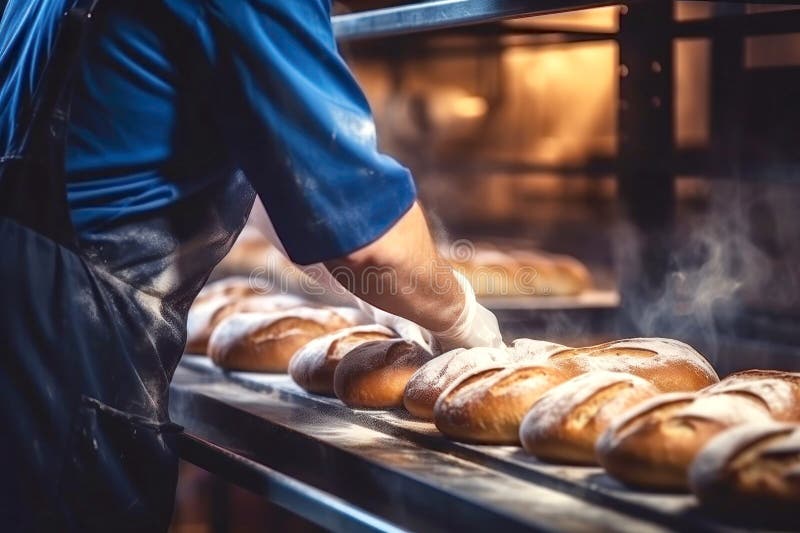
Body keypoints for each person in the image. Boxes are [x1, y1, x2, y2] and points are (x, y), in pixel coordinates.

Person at [0, 1, 503, 531]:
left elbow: (244, 159)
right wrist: (459, 318)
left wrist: (358, 279)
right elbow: (370, 235)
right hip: (69, 358)